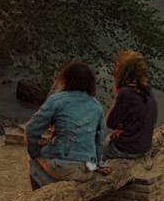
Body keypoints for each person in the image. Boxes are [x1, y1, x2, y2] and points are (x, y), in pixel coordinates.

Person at [26, 61, 106, 189]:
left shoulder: (57, 101)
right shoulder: (97, 106)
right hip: (86, 170)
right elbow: (100, 141)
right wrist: (98, 163)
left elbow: (31, 130)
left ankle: (41, 195)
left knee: (33, 159)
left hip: (62, 167)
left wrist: (34, 150)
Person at [103, 51, 158, 160]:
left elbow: (110, 122)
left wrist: (121, 124)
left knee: (92, 150)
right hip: (143, 147)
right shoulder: (147, 90)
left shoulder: (126, 92)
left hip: (125, 149)